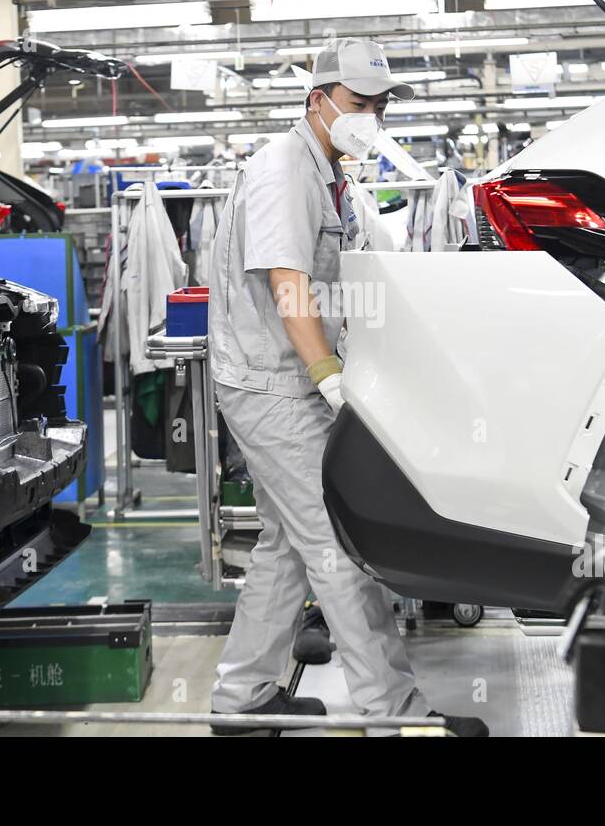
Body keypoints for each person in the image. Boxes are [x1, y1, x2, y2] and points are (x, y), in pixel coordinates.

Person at [206, 37, 488, 737]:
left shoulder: (331, 173)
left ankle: (240, 699)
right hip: (273, 384)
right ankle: (396, 714)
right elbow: (288, 285)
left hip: (288, 375)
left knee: (284, 542)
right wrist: (327, 375)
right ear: (318, 100)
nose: (372, 118)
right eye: (360, 104)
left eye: (380, 106)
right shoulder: (282, 171)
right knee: (335, 544)